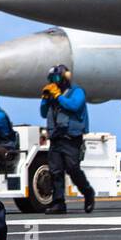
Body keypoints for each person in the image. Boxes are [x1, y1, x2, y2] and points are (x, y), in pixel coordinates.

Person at [39, 64, 95, 213]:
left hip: (71, 137)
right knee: (55, 171)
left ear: (65, 77)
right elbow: (44, 113)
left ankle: (88, 192)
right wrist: (45, 99)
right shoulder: (53, 94)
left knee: (72, 169)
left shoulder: (77, 92)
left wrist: (58, 96)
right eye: (51, 78)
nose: (54, 81)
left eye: (56, 77)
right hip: (56, 137)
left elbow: (74, 106)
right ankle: (58, 203)